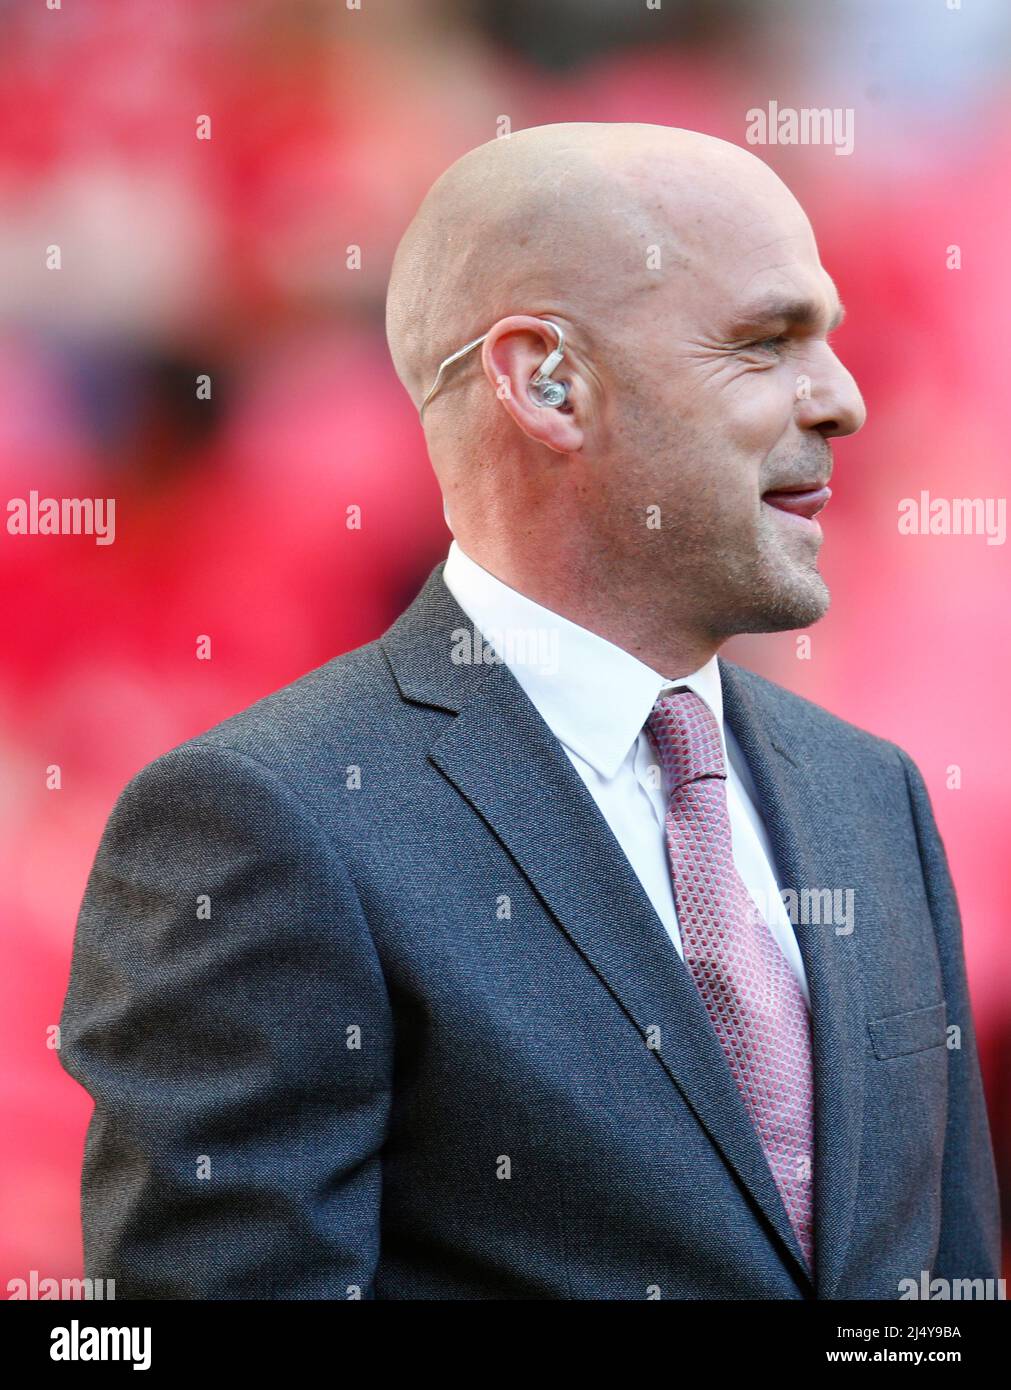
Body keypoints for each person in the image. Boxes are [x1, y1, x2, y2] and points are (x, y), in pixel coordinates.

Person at [59, 123, 1000, 1299]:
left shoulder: (875, 796)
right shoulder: (266, 821)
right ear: (547, 382)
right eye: (766, 343)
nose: (847, 400)